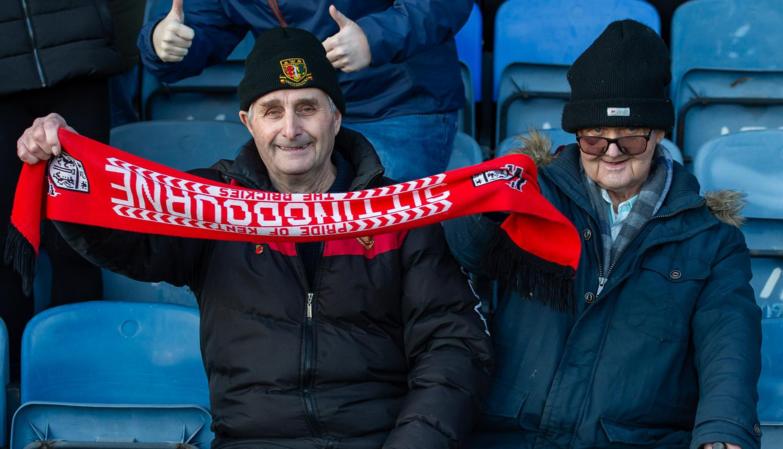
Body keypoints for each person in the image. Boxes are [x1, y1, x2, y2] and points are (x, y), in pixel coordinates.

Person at [17, 28, 492, 449]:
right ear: (248, 122)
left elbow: (453, 346)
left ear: (336, 118)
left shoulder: (396, 212)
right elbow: (120, 240)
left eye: (308, 107)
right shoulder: (210, 205)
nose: (291, 130)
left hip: (378, 437)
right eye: (272, 111)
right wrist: (65, 164)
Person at [443, 20, 762, 449]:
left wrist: (723, 434)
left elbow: (728, 345)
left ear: (659, 134)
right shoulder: (528, 194)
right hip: (512, 435)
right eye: (595, 139)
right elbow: (456, 258)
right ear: (576, 135)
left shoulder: (710, 239)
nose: (611, 153)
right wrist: (485, 210)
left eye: (629, 139)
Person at [138, 0, 472, 182]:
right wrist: (161, 43)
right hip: (303, 114)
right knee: (297, 256)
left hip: (395, 105)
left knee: (385, 249)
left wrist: (374, 38)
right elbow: (201, 26)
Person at [0, 0, 132, 380]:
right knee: (6, 246)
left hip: (79, 60)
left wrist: (115, 44)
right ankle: (11, 387)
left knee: (81, 239)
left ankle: (82, 377)